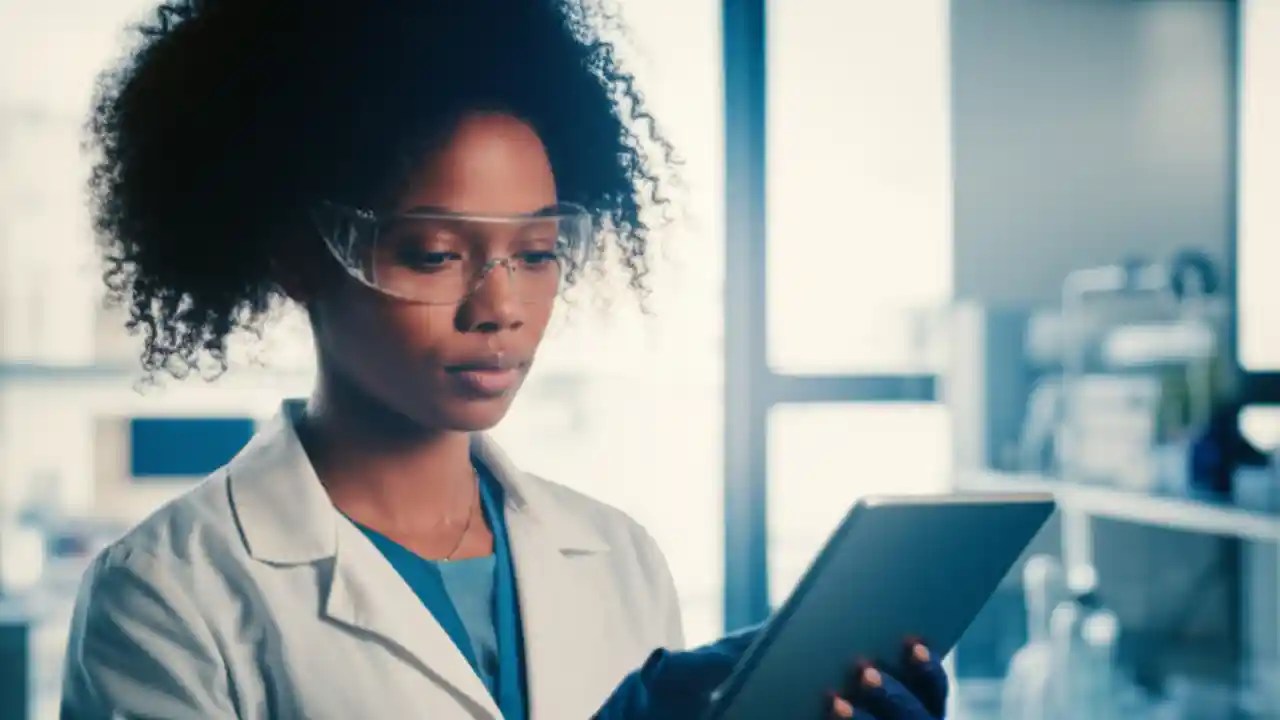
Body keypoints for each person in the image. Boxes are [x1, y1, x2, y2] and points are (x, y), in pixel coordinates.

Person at [59, 1, 949, 718]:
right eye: (437, 254)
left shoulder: (618, 556)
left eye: (536, 253)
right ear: (300, 258)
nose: (500, 308)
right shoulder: (168, 592)